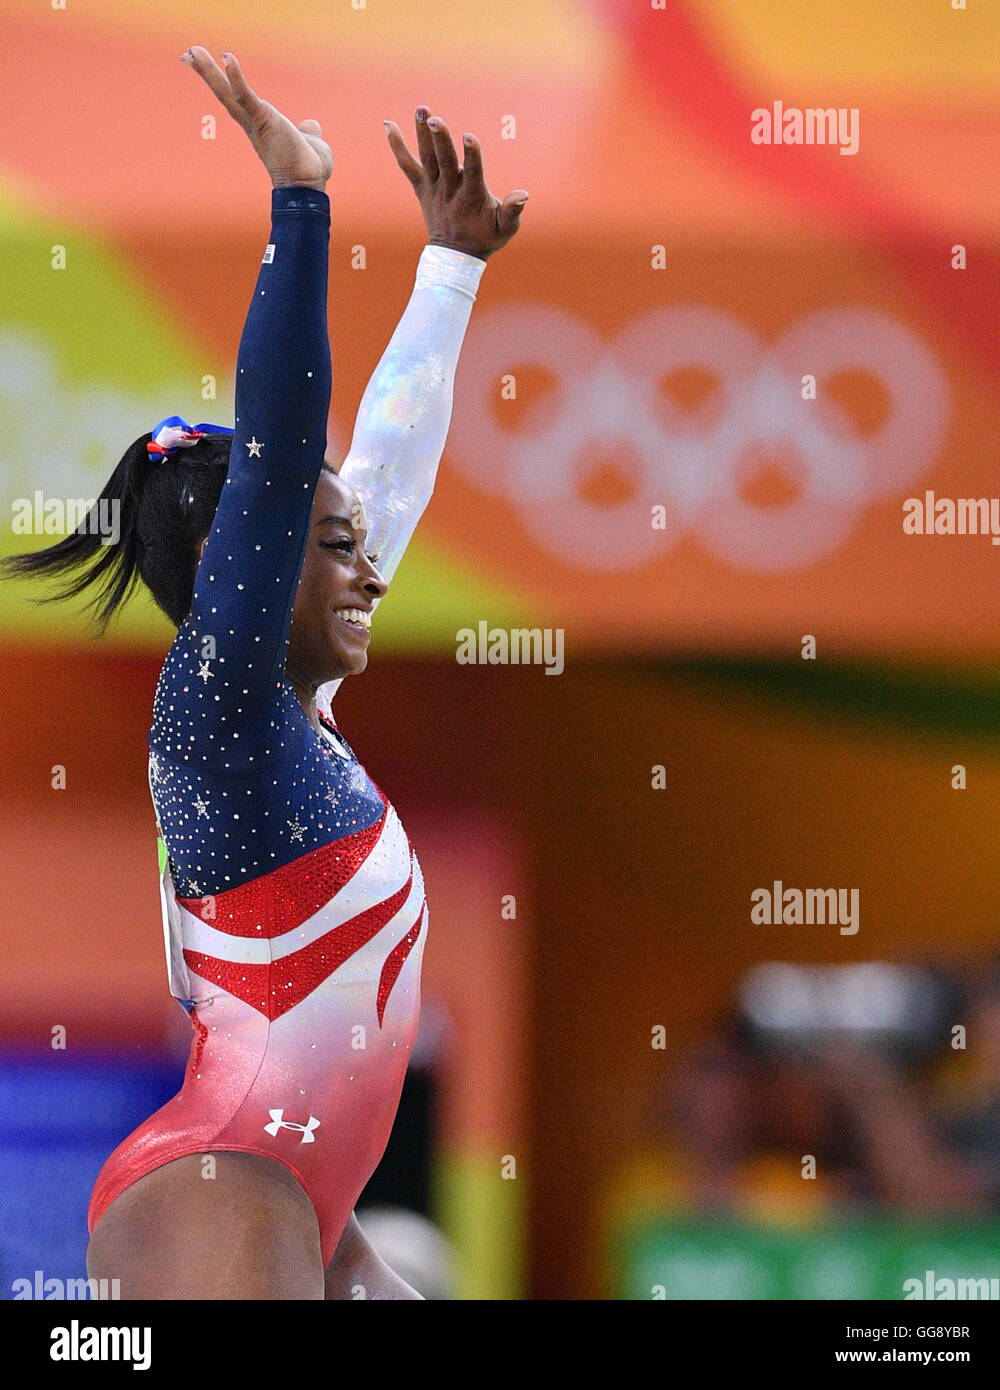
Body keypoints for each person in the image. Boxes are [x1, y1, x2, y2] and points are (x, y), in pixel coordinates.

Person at [3, 46, 527, 1299]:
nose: (375, 570)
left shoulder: (294, 713)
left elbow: (379, 464)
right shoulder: (215, 713)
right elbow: (292, 452)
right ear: (262, 552)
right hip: (225, 1179)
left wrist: (450, 271)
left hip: (310, 1202)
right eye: (338, 548)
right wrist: (302, 200)